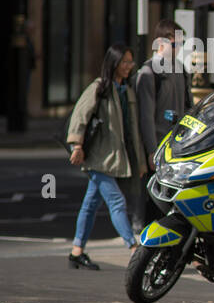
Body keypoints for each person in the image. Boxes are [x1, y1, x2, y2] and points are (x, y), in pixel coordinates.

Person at [66, 45, 147, 269]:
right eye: (125, 62)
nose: (129, 66)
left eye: (131, 62)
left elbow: (134, 131)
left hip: (114, 158)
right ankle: (133, 248)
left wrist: (139, 161)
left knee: (90, 204)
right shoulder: (99, 87)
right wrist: (77, 145)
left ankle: (76, 251)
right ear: (114, 63)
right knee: (117, 201)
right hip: (98, 157)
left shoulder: (128, 91)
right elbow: (80, 116)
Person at [132, 18, 190, 235]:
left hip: (177, 147)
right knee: (153, 199)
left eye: (181, 45)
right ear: (161, 43)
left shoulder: (180, 70)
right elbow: (145, 117)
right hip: (158, 147)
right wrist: (150, 151)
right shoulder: (148, 73)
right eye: (176, 44)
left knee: (173, 198)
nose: (178, 49)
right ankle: (145, 241)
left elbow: (187, 107)